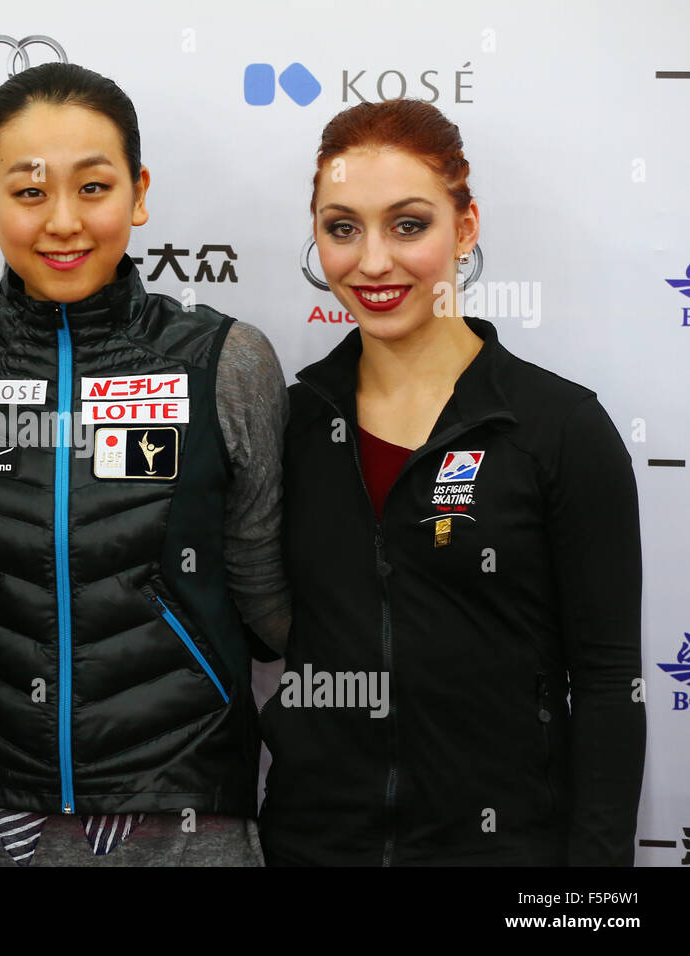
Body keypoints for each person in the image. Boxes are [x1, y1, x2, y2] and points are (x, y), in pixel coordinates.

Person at [0, 62, 290, 866]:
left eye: (93, 188)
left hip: (189, 814)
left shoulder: (225, 362)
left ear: (138, 191)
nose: (63, 222)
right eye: (28, 192)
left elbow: (265, 591)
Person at [259, 98, 645, 865]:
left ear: (465, 228)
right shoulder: (292, 424)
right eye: (342, 228)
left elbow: (607, 685)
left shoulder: (558, 427)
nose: (372, 262)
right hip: (313, 844)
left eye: (408, 225)